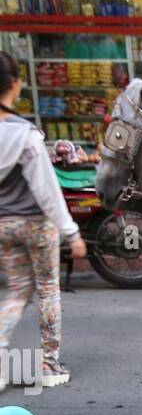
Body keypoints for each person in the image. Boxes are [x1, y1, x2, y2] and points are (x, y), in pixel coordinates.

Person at [0, 52, 85, 389]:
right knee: (48, 291)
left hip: (3, 225)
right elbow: (47, 190)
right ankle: (49, 364)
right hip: (36, 225)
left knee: (17, 292)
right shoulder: (26, 135)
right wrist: (72, 233)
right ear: (15, 83)